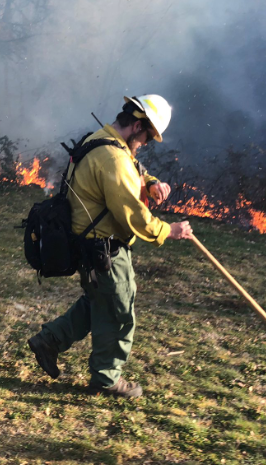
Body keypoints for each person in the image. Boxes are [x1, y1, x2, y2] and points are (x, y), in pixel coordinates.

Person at [27, 94, 193, 397]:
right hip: (104, 250)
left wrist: (150, 182)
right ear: (138, 125)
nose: (145, 144)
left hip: (90, 247)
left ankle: (49, 340)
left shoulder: (103, 139)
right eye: (146, 137)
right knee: (118, 311)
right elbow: (132, 213)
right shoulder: (113, 158)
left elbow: (132, 171)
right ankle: (106, 379)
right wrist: (169, 230)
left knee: (99, 302)